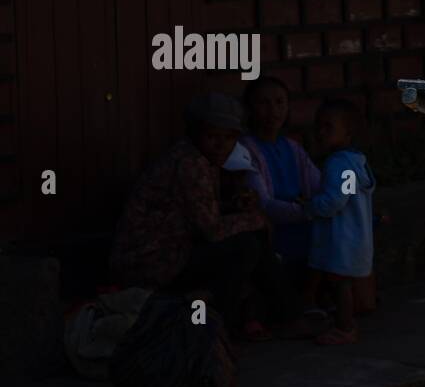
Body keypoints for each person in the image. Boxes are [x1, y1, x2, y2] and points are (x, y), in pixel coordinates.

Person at [109, 93, 305, 340]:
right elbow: (210, 229)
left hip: (174, 251)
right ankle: (237, 323)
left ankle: (262, 316)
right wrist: (257, 219)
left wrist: (235, 207)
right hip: (151, 263)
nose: (220, 145)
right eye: (212, 137)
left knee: (248, 243)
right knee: (246, 246)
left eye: (229, 139)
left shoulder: (199, 159)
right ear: (196, 133)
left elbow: (196, 211)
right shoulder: (191, 163)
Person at [303, 99, 376, 346]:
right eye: (318, 126)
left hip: (343, 241)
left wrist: (310, 206)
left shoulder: (338, 163)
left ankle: (346, 328)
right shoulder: (356, 161)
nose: (321, 132)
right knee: (341, 284)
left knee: (339, 284)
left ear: (348, 133)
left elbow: (335, 200)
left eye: (328, 127)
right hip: (355, 238)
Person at [240, 76, 321, 278]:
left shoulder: (293, 148)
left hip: (303, 218)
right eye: (263, 103)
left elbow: (318, 186)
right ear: (249, 108)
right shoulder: (245, 149)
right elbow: (264, 204)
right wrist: (310, 211)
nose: (273, 111)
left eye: (279, 102)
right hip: (274, 229)